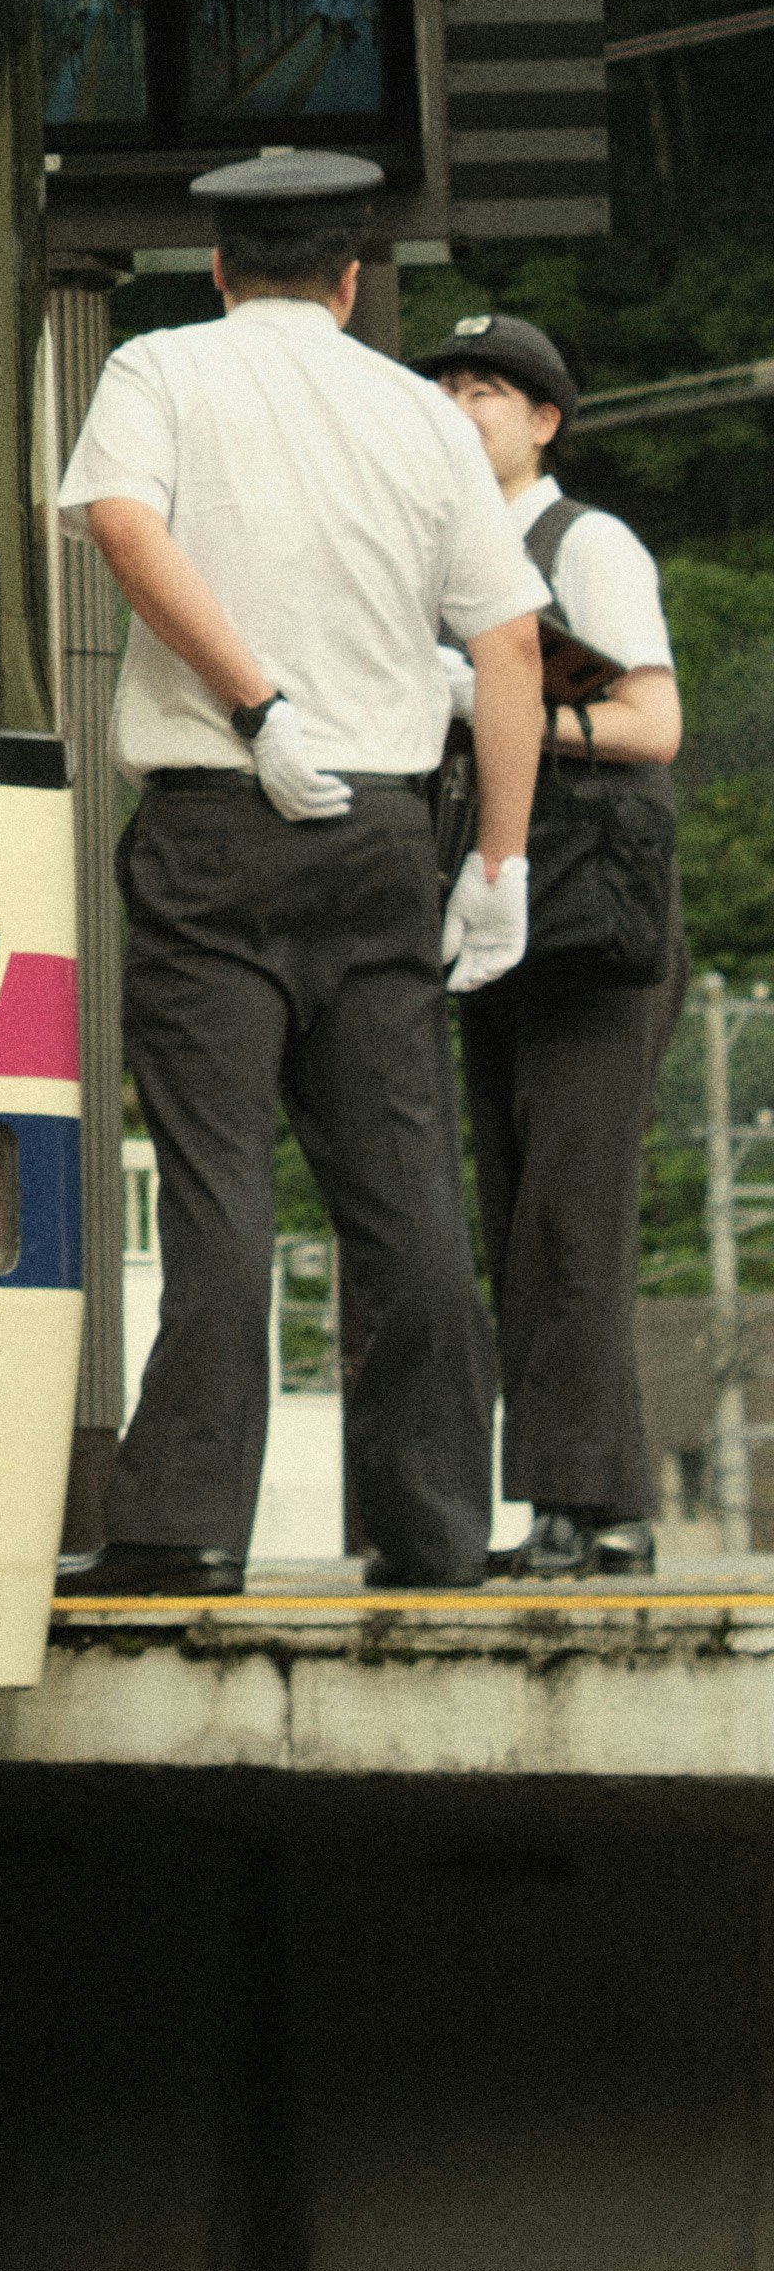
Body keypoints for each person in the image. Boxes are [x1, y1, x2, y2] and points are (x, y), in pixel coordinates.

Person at [55, 149, 545, 1597]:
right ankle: (436, 1529)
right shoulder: (420, 414)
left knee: (221, 1193)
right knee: (406, 1196)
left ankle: (184, 1527)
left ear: (217, 268)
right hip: (388, 837)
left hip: (219, 827)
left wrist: (257, 707)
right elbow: (509, 645)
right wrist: (499, 863)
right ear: (349, 280)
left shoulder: (159, 370)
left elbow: (123, 530)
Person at [430, 311, 687, 1583]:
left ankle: (597, 1510)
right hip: (492, 900)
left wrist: (510, 714)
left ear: (544, 421)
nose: (465, 405)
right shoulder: (443, 550)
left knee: (570, 1218)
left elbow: (655, 720)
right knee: (512, 1208)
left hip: (592, 910)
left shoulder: (586, 543)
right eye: (450, 387)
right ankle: (569, 1503)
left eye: (491, 390)